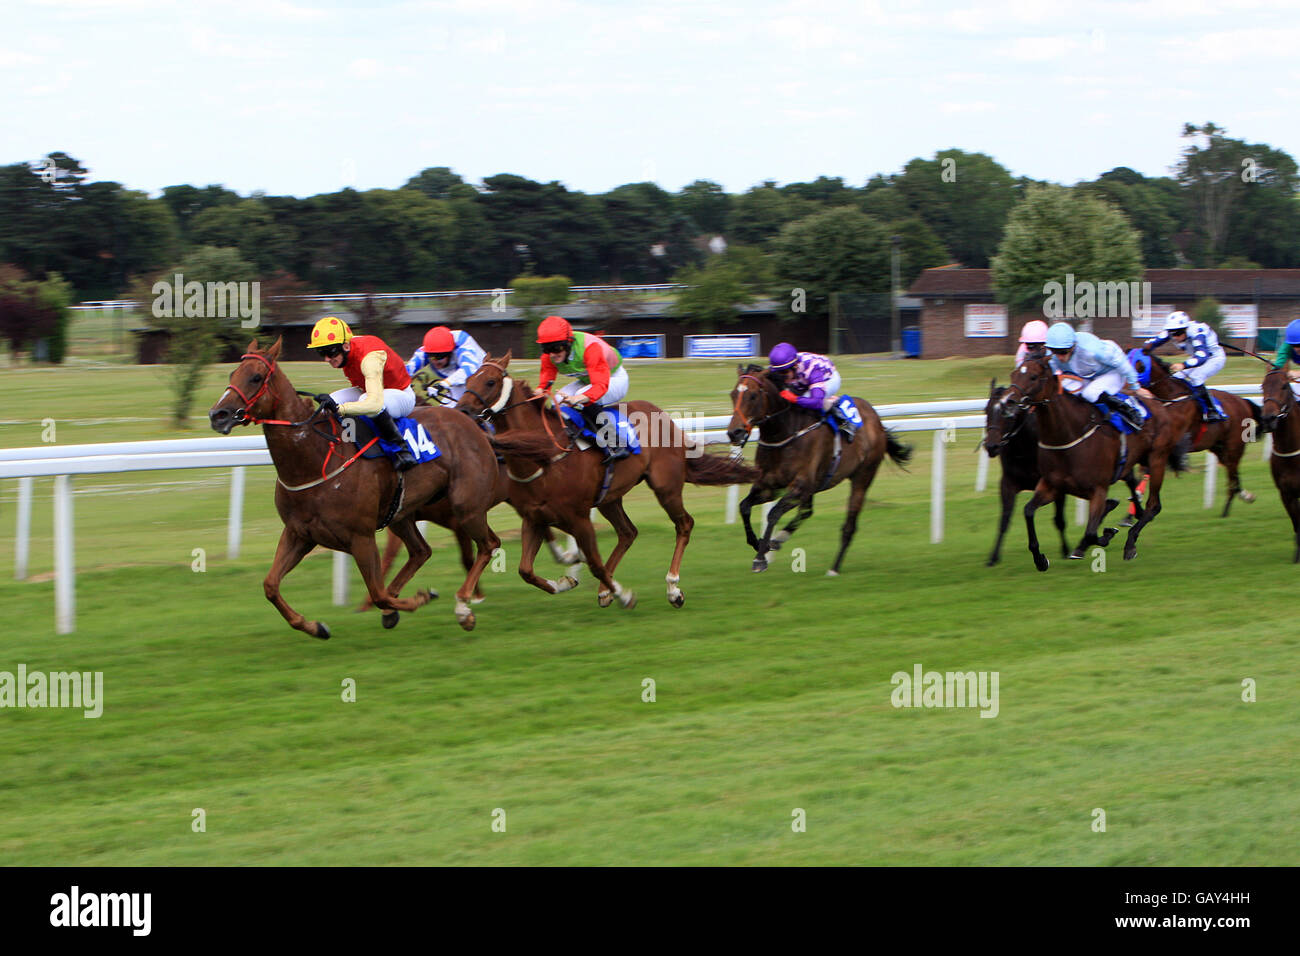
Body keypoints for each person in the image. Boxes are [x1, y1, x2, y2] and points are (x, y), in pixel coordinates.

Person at [306, 316, 417, 471]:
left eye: (329, 352)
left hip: (402, 395)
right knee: (329, 401)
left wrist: (340, 409)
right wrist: (334, 405)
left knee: (363, 400)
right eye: (321, 352)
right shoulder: (348, 346)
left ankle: (401, 449)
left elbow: (374, 404)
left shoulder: (370, 359)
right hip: (374, 389)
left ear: (345, 346)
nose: (326, 359)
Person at [536, 315, 631, 462]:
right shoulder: (548, 356)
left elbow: (600, 385)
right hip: (588, 380)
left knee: (581, 396)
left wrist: (578, 398)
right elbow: (546, 380)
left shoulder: (591, 349)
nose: (552, 354)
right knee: (560, 400)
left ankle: (616, 444)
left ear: (568, 343)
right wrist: (540, 391)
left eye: (556, 348)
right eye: (547, 348)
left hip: (614, 379)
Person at [1043, 322, 1153, 431]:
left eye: (1063, 352)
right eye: (1054, 351)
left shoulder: (1094, 351)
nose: (1059, 357)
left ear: (1073, 346)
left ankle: (1128, 409)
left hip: (1112, 372)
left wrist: (1136, 388)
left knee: (1090, 393)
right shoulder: (1054, 357)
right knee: (1065, 385)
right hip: (1088, 375)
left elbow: (1122, 364)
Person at [1142, 311, 1226, 421]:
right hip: (1196, 358)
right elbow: (1150, 343)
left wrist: (1183, 365)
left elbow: (1202, 356)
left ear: (1186, 329)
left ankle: (1213, 410)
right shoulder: (1174, 331)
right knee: (1175, 378)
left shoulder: (1197, 332)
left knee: (1196, 377)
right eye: (1172, 334)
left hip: (1214, 358)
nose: (1174, 337)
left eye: (1177, 334)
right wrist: (1144, 350)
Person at [767, 342, 857, 442]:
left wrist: (795, 399)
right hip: (802, 379)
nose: (781, 377)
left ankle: (841, 417)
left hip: (829, 378)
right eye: (778, 373)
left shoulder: (812, 369)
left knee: (806, 398)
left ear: (795, 366)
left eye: (784, 372)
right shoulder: (784, 367)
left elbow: (817, 402)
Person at [405, 325, 486, 407]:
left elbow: (469, 369)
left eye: (440, 356)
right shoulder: (425, 352)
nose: (435, 361)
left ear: (450, 353)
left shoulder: (463, 344)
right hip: (458, 381)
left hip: (481, 378)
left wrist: (444, 384)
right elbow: (406, 370)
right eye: (432, 356)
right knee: (445, 411)